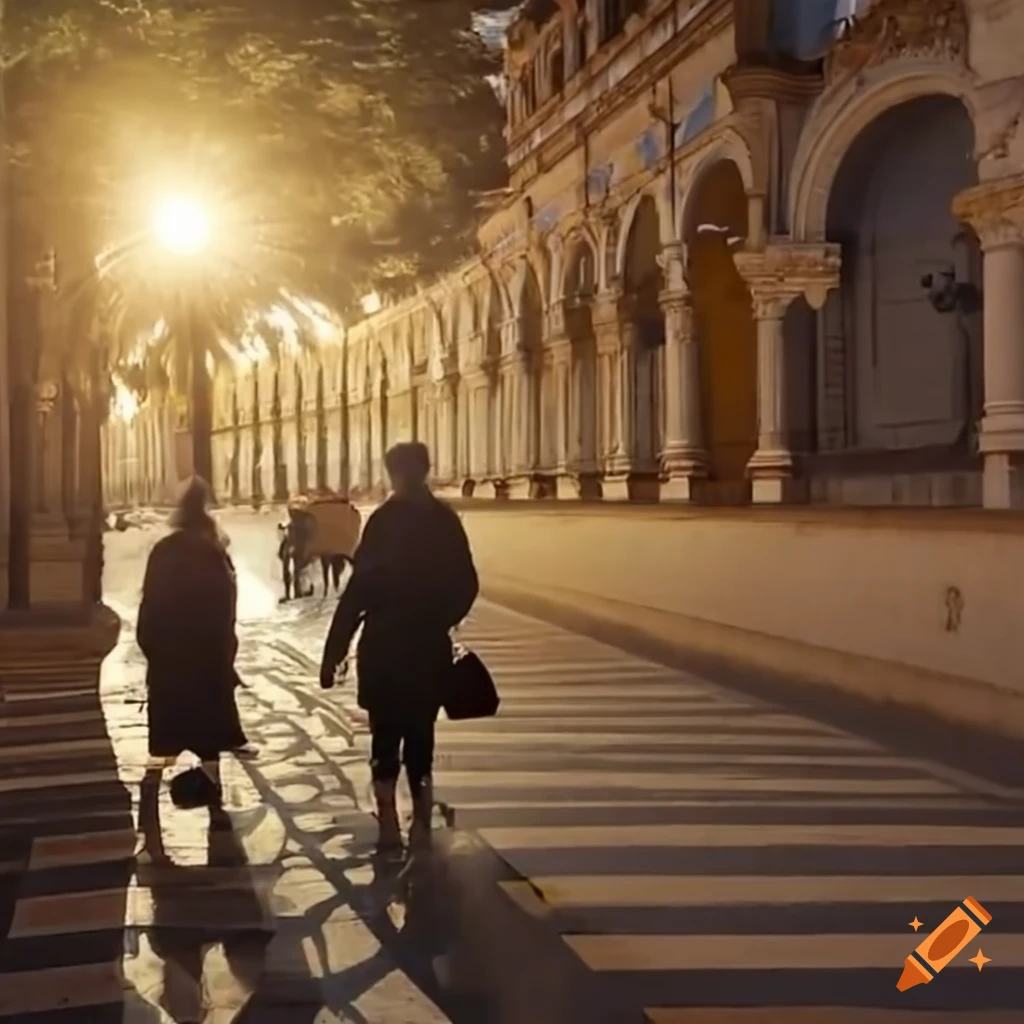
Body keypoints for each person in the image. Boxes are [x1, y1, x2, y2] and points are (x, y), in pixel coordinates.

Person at [319, 442, 478, 850]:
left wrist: (335, 651)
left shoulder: (384, 522)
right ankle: (420, 819)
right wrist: (442, 617)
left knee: (385, 735)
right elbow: (467, 583)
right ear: (426, 470)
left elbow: (358, 591)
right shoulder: (444, 521)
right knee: (421, 734)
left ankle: (388, 818)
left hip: (384, 645)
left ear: (393, 473)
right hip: (426, 645)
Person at [137, 477, 247, 808]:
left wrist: (152, 650)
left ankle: (149, 800)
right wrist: (226, 656)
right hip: (206, 661)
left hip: (169, 662)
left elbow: (149, 605)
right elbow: (227, 611)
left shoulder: (164, 551)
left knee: (163, 741)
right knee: (209, 740)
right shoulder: (214, 553)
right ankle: (214, 795)